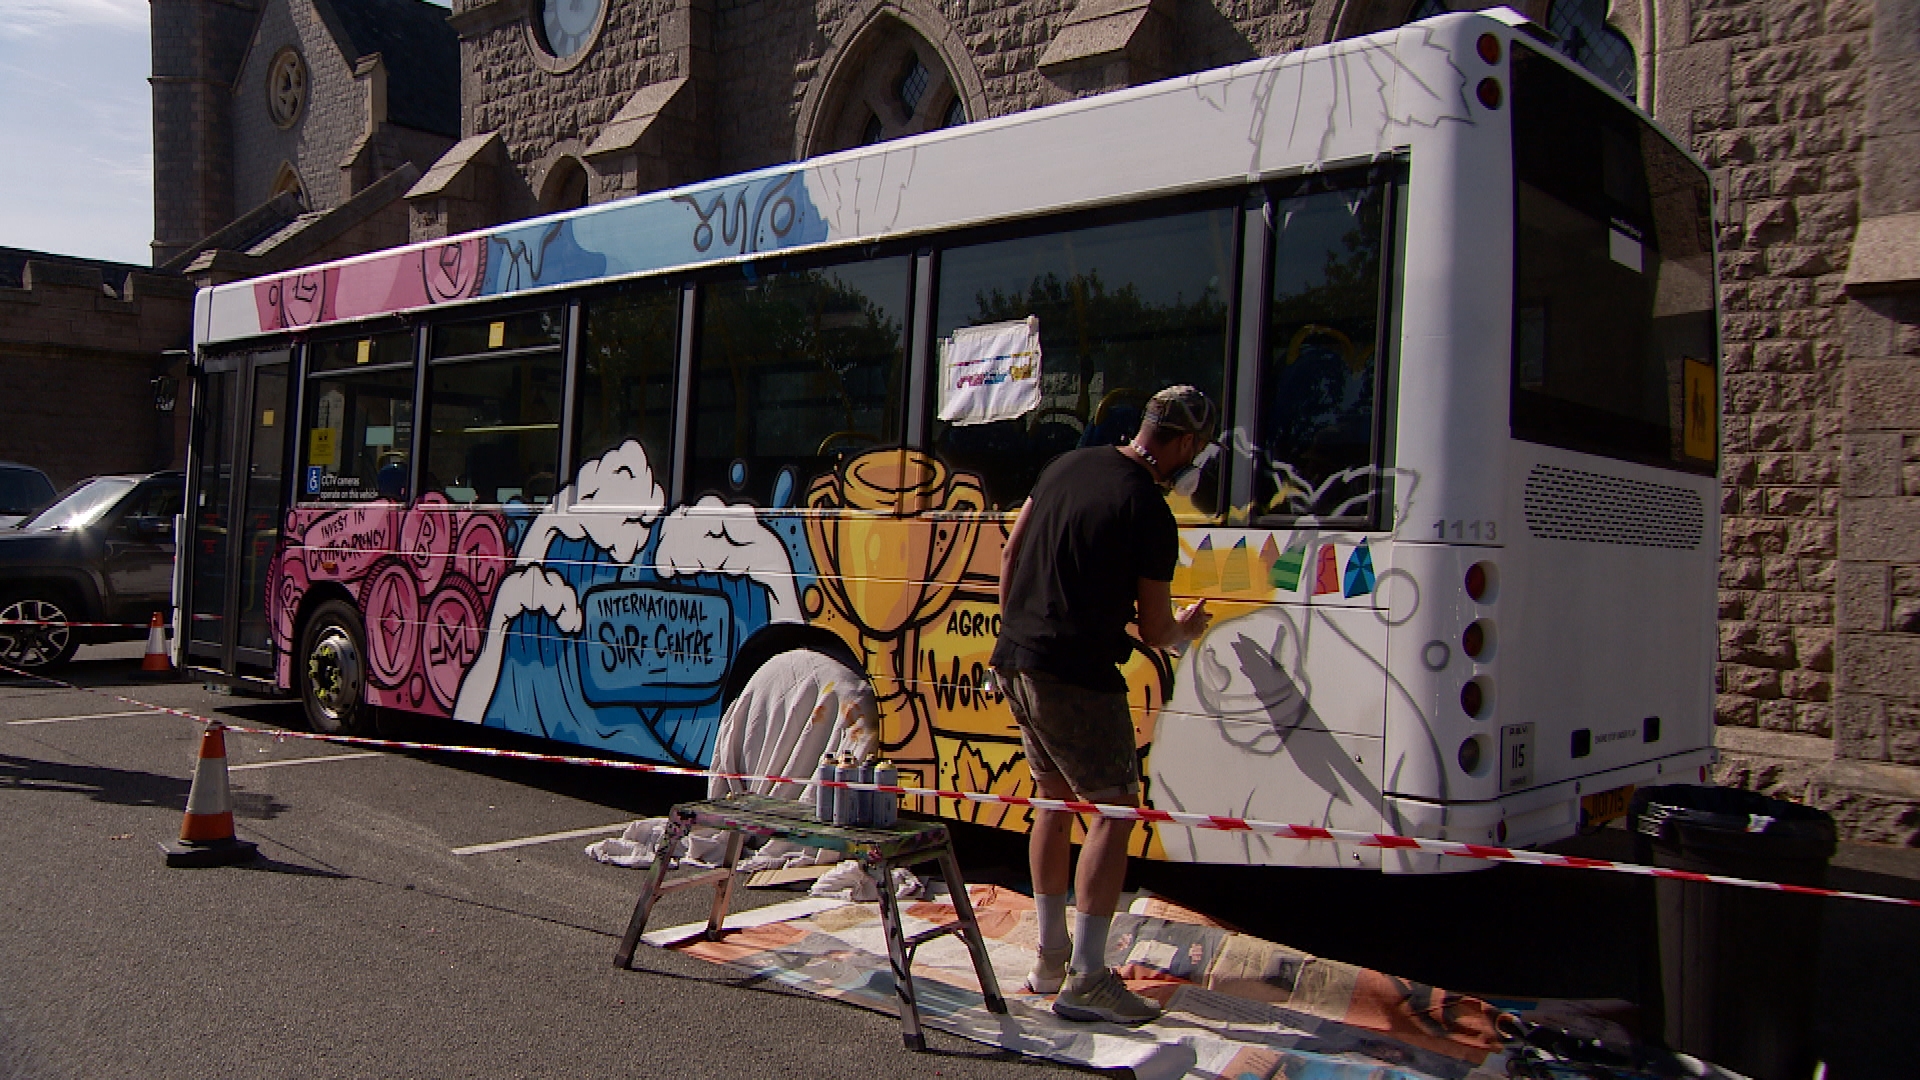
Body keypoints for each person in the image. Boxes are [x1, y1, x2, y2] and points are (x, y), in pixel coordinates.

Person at [991, 384, 1216, 1024]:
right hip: (1076, 675)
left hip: (1017, 658)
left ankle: (1050, 959)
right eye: (1196, 449)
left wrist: (1015, 633)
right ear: (1184, 444)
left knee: (1053, 799)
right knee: (1116, 810)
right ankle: (1087, 978)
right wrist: (1186, 629)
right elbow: (1156, 629)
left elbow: (1010, 552)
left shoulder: (1067, 463)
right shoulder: (1148, 508)